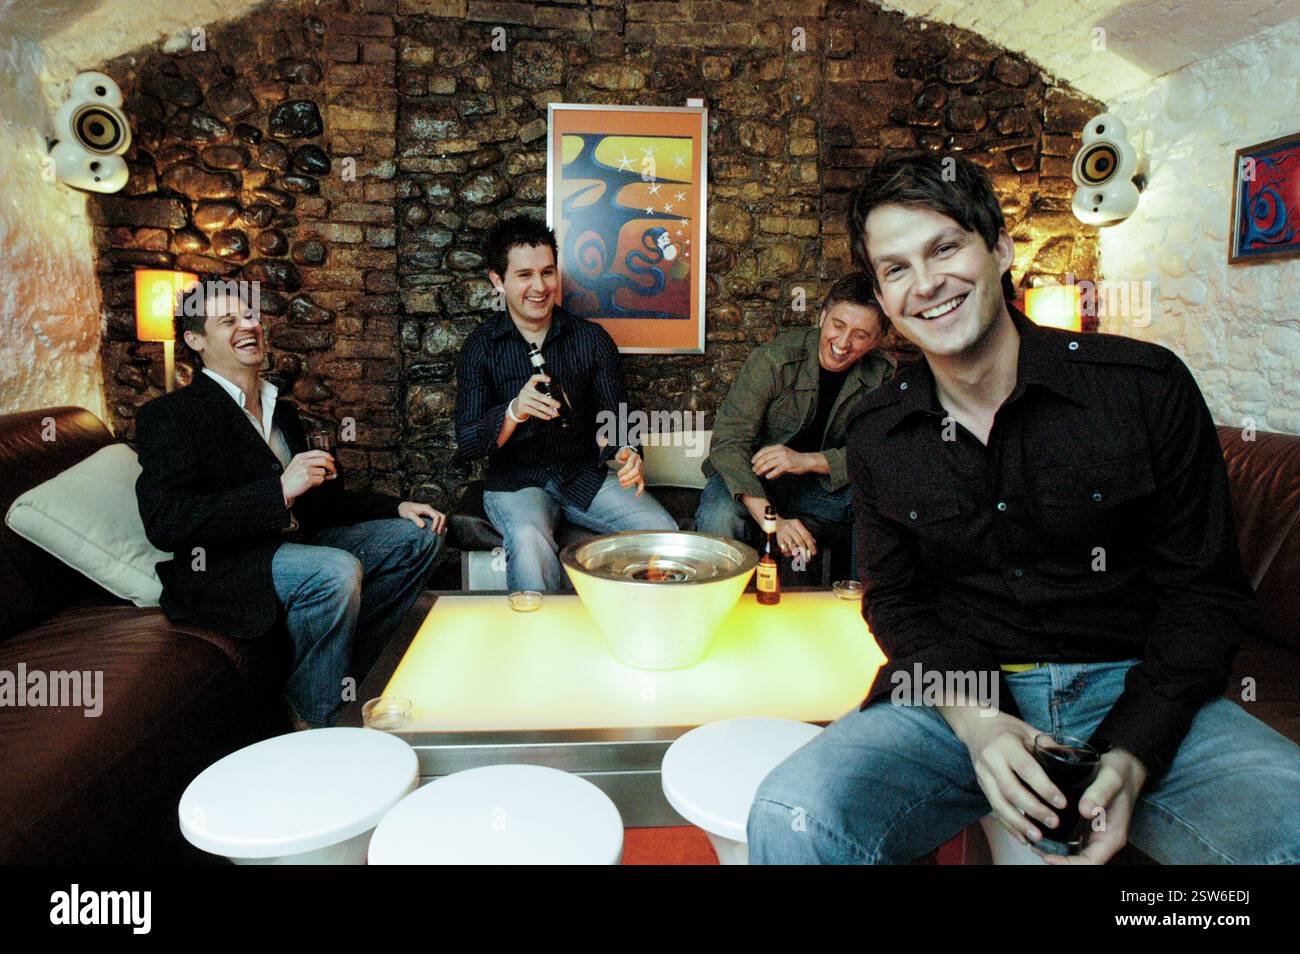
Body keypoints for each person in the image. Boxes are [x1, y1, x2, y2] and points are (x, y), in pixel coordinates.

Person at [747, 153, 1300, 864]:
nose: (927, 284)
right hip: (958, 692)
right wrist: (980, 721)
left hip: (1137, 680)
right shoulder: (879, 431)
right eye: (896, 269)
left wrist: (1134, 751)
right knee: (793, 816)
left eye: (945, 247)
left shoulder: (1144, 389)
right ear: (883, 300)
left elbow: (1208, 595)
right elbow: (899, 604)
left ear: (1000, 247)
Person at [135, 279, 445, 730]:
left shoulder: (281, 409)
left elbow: (321, 503)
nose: (249, 325)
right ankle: (311, 719)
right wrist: (278, 491)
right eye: (229, 321)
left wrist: (394, 507)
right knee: (335, 570)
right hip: (226, 568)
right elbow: (166, 522)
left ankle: (345, 674)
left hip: (301, 542)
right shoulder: (171, 416)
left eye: (250, 316)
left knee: (421, 538)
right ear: (195, 341)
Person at [454, 215, 677, 593]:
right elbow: (469, 442)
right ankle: (539, 647)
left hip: (582, 473)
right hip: (516, 482)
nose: (539, 287)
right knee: (528, 540)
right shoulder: (480, 346)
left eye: (548, 272)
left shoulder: (591, 339)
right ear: (498, 280)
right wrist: (513, 412)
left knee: (665, 536)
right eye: (524, 275)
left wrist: (627, 451)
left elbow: (618, 418)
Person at [695, 273, 891, 573]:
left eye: (860, 335)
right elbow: (728, 443)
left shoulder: (882, 376)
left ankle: (865, 608)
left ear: (877, 339)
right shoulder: (773, 360)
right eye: (838, 325)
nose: (843, 342)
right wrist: (772, 521)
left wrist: (808, 461)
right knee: (719, 514)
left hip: (820, 487)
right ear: (822, 316)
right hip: (752, 479)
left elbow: (877, 455)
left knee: (880, 502)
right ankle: (717, 609)